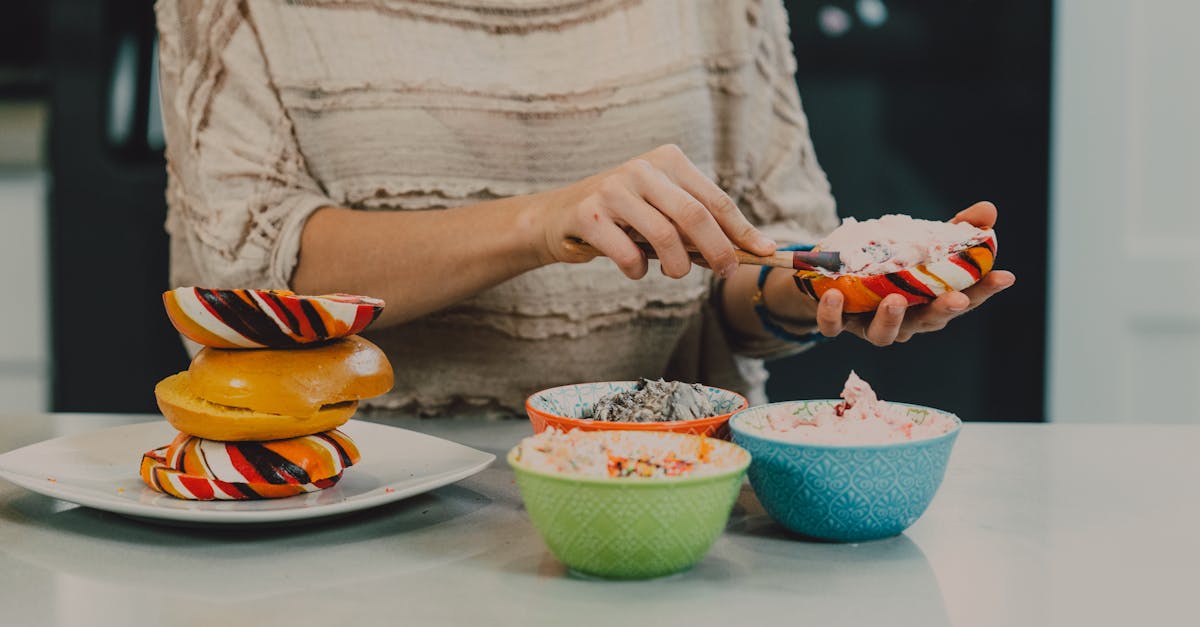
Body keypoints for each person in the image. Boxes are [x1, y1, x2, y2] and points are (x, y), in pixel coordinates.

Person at [155, 0, 1013, 416]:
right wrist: (540, 223)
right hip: (350, 499)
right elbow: (242, 277)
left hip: (665, 497)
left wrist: (826, 296)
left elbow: (761, 269)